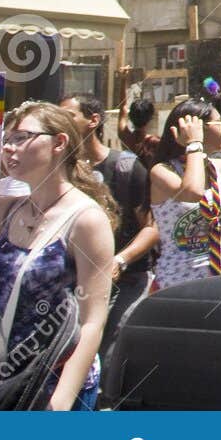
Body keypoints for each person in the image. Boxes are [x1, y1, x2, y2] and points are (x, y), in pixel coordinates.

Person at [0, 102, 117, 410]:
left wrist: (60, 401)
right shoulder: (9, 207)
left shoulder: (86, 219)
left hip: (52, 386)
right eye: (6, 139)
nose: (9, 147)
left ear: (60, 142)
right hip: (4, 382)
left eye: (21, 137)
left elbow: (91, 322)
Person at [60, 92, 157, 362]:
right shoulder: (63, 170)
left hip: (126, 281)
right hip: (78, 283)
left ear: (93, 121)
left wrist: (119, 261)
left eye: (68, 116)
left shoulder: (126, 166)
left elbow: (150, 228)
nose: (60, 123)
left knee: (107, 355)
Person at [147, 100, 221, 289]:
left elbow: (214, 221)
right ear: (199, 129)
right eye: (219, 122)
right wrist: (193, 145)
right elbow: (193, 192)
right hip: (179, 284)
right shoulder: (162, 171)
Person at [118, 96, 160, 171]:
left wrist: (123, 84)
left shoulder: (125, 137)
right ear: (150, 118)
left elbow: (122, 109)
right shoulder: (156, 142)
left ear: (130, 117)